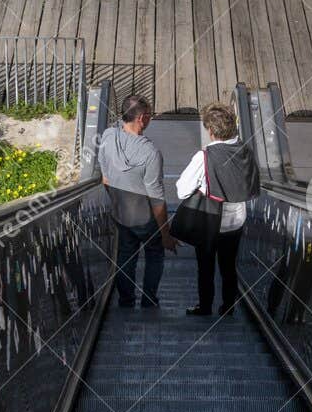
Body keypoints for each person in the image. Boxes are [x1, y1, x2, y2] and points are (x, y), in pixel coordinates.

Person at [177, 102, 259, 317]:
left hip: (210, 220)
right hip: (237, 219)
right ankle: (228, 307)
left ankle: (205, 307)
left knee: (205, 266)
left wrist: (202, 187)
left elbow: (182, 190)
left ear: (211, 131)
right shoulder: (246, 151)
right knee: (228, 266)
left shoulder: (204, 157)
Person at [99, 94, 176, 308]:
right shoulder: (150, 153)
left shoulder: (107, 137)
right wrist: (165, 234)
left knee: (125, 255)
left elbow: (105, 178)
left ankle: (126, 300)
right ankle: (149, 299)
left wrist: (117, 203)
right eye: (149, 115)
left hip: (121, 214)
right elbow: (156, 198)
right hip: (145, 218)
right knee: (154, 254)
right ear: (141, 118)